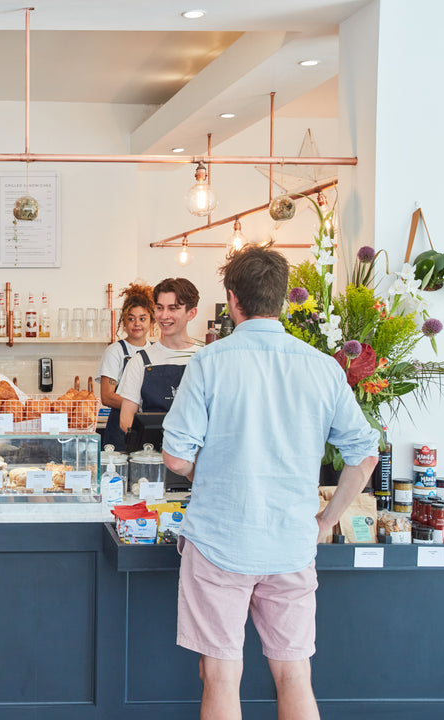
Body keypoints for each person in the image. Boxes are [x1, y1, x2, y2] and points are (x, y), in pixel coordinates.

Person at [161, 245, 378, 720]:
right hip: (291, 543)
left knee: (220, 675)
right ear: (282, 299)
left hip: (219, 539)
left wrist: (212, 473)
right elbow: (364, 457)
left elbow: (176, 458)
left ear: (232, 300)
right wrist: (326, 520)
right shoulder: (323, 367)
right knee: (294, 674)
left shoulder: (210, 361)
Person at [116, 277, 200, 441]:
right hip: (151, 459)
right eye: (160, 308)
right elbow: (125, 421)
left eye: (173, 308)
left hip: (195, 460)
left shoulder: (203, 358)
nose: (164, 315)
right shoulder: (140, 362)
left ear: (192, 313)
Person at [96, 283, 154, 452]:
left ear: (152, 321)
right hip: (119, 430)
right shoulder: (115, 351)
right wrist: (143, 405)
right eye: (131, 318)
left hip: (148, 428)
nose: (137, 324)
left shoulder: (155, 352)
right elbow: (107, 396)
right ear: (124, 322)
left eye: (142, 319)